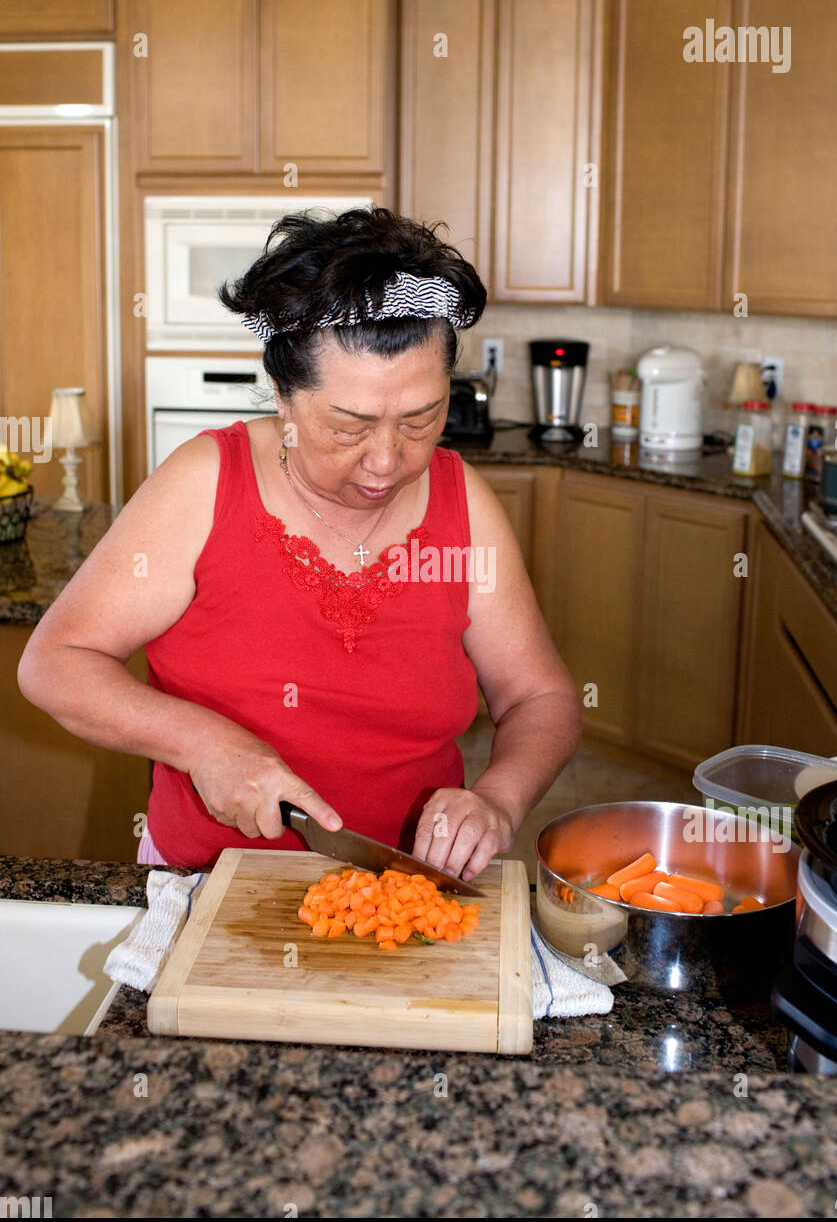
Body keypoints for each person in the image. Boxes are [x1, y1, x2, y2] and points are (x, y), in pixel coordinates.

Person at [18, 207, 581, 882]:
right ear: (284, 398)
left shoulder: (466, 506)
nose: (386, 462)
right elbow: (55, 662)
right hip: (209, 881)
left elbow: (536, 698)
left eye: (421, 419)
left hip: (406, 887)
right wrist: (204, 746)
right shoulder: (205, 484)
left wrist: (498, 799)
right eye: (349, 427)